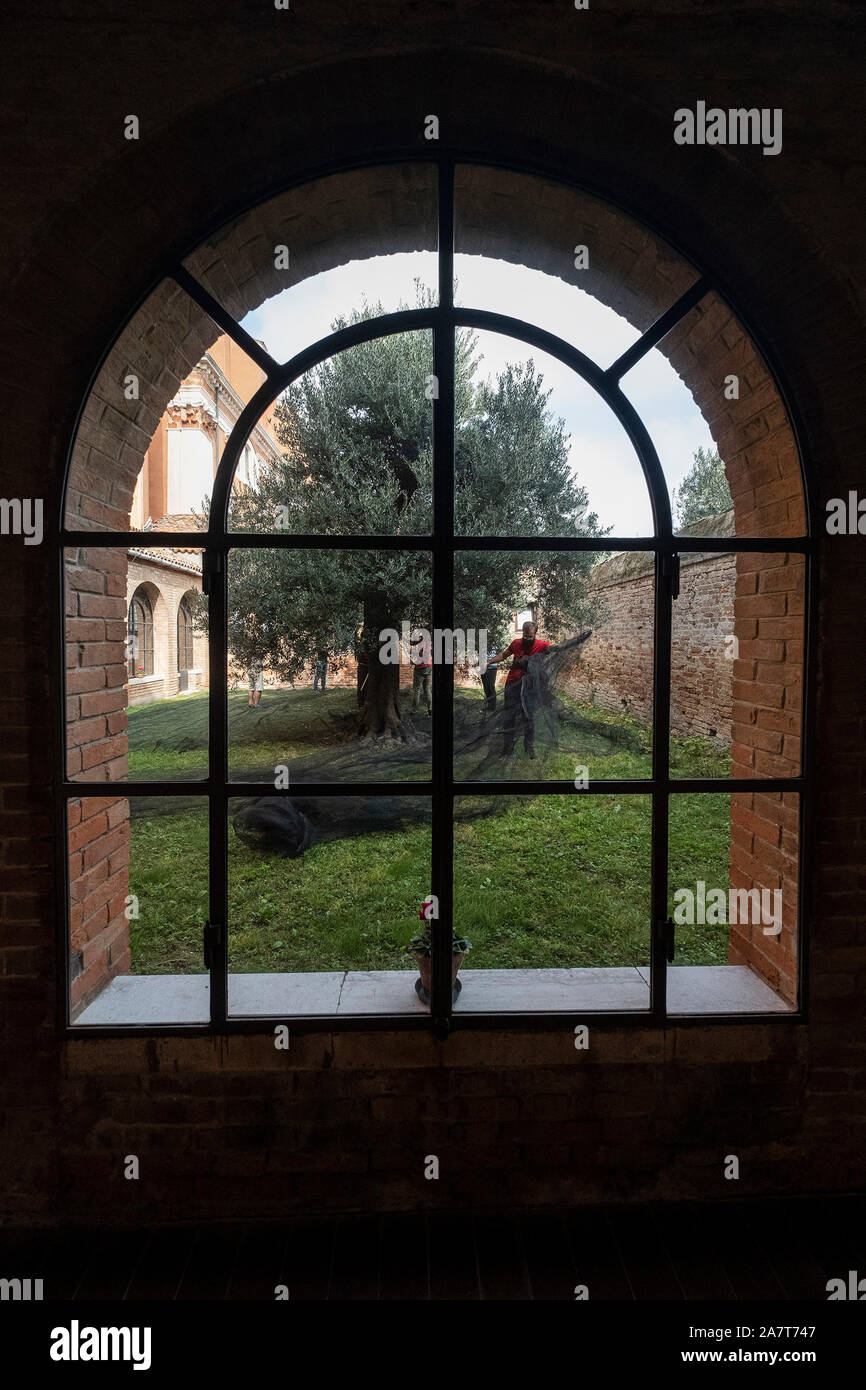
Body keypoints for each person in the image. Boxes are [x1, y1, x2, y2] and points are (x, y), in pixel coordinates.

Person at [485, 620, 550, 758]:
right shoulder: (515, 643)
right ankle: (507, 748)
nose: (527, 639)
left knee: (529, 717)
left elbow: (557, 649)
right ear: (522, 633)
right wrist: (489, 662)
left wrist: (575, 642)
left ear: (535, 635)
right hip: (513, 684)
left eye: (530, 637)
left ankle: (529, 748)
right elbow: (503, 655)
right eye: (525, 636)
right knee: (509, 717)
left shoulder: (542, 646)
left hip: (530, 687)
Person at [410, 630, 433, 715]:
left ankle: (414, 710)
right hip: (429, 666)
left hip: (420, 668)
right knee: (427, 688)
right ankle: (429, 709)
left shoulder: (420, 645)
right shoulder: (429, 643)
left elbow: (420, 657)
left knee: (417, 689)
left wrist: (412, 662)